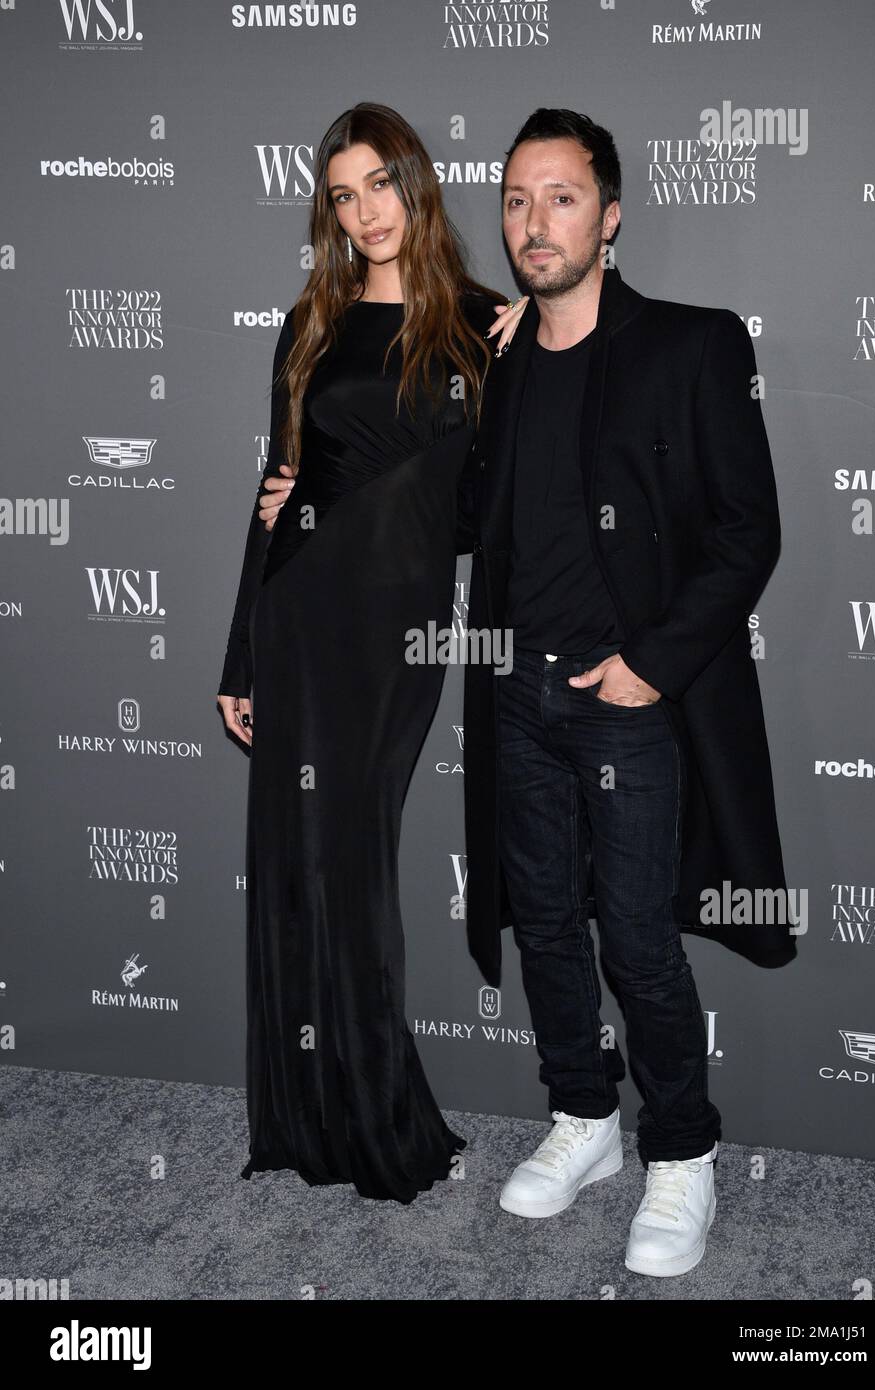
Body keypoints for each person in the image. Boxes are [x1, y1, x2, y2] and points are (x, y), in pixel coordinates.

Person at [260, 107, 794, 1278]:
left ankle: (681, 1151)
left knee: (639, 940)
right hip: (513, 698)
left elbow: (747, 531)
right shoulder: (486, 362)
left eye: (559, 197)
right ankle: (584, 1117)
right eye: (513, 198)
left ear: (608, 217)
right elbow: (440, 515)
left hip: (631, 701)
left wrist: (649, 665)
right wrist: (311, 505)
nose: (532, 219)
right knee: (545, 924)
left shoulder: (691, 345)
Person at [216, 101, 524, 1204]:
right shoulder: (312, 321)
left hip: (395, 627)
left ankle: (379, 1112)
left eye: (377, 185)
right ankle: (313, 1117)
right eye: (342, 196)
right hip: (301, 616)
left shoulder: (486, 323)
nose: (363, 211)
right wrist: (239, 656)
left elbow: (487, 517)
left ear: (414, 183)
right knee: (304, 867)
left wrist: (510, 377)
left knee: (354, 862)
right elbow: (271, 495)